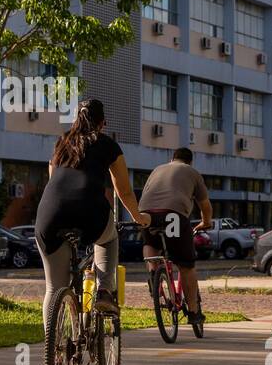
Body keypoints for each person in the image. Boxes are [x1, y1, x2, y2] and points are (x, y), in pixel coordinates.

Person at [33, 98, 148, 317]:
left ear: (77, 119)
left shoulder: (61, 143)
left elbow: (53, 182)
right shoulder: (107, 144)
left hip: (49, 213)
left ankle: (52, 347)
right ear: (102, 123)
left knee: (54, 288)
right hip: (90, 212)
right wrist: (138, 217)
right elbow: (123, 191)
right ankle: (105, 290)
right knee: (109, 237)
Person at [138, 147, 211, 325]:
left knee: (151, 241)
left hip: (146, 214)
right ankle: (193, 312)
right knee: (186, 265)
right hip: (173, 216)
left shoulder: (157, 169)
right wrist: (206, 222)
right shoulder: (192, 172)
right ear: (190, 161)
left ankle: (154, 273)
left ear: (172, 158)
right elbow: (205, 204)